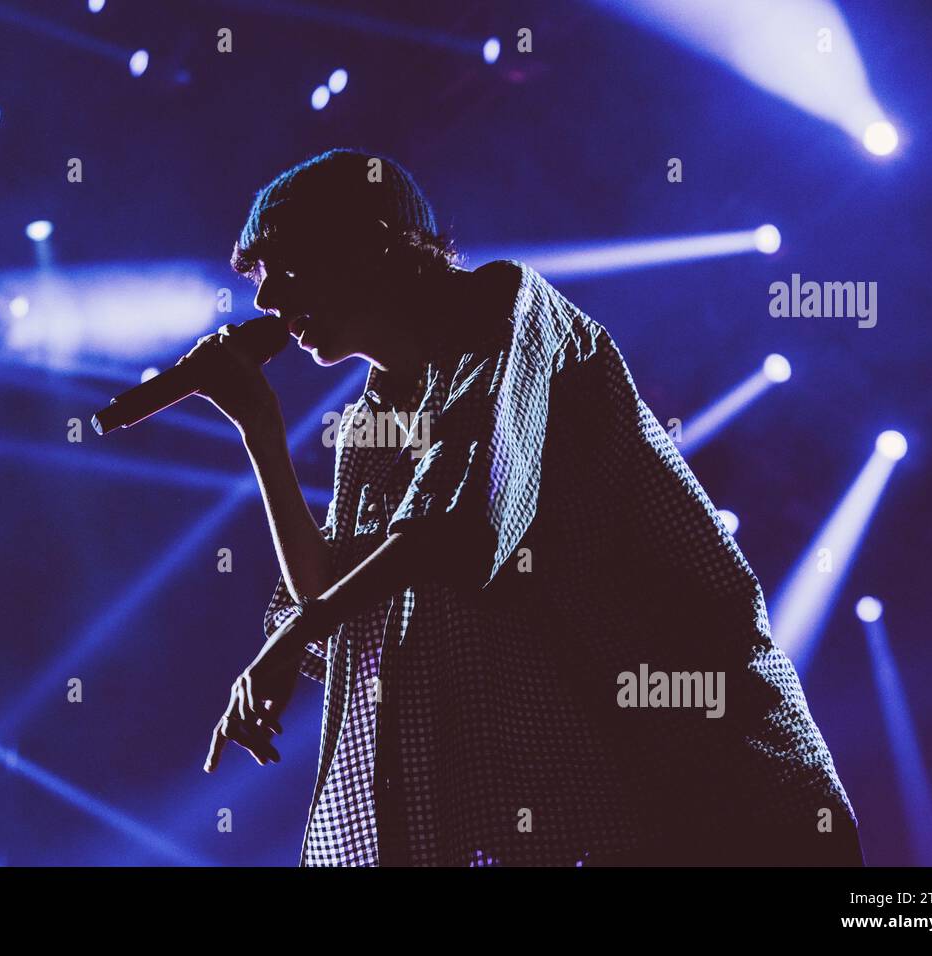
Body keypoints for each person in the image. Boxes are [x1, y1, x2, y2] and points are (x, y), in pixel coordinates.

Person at [195, 147, 863, 867]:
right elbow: (323, 591)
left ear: (373, 245)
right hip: (580, 817)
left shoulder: (501, 310)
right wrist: (260, 431)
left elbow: (456, 526)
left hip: (720, 791)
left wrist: (295, 636)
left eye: (286, 268)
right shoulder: (374, 420)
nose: (265, 303)